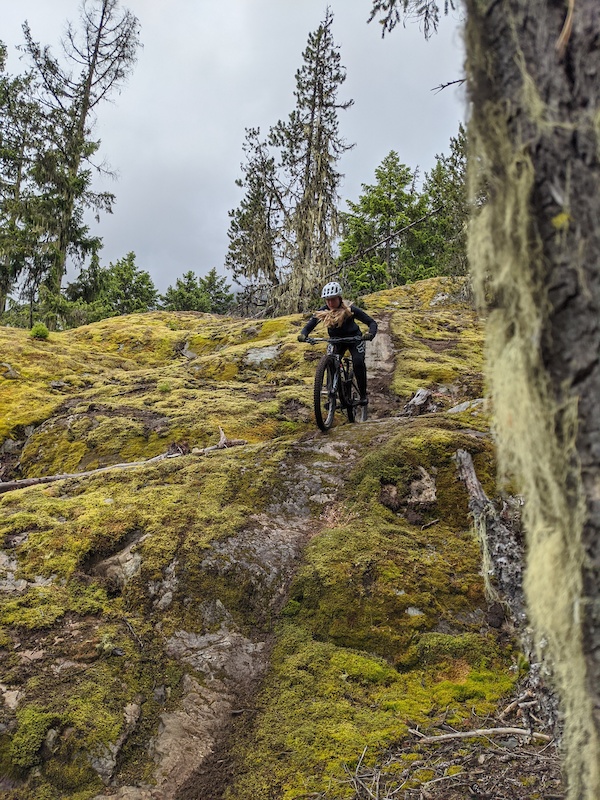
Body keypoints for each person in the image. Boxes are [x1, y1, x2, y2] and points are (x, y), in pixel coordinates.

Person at [298, 281, 377, 405]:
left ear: (340, 298)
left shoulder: (350, 309)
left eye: (333, 299)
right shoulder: (323, 311)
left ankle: (362, 395)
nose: (330, 303)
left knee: (357, 362)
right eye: (327, 300)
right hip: (335, 341)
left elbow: (371, 322)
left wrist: (370, 334)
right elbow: (309, 325)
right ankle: (332, 396)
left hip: (354, 340)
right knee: (330, 362)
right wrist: (303, 335)